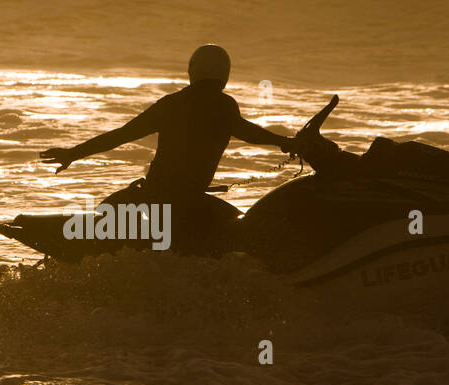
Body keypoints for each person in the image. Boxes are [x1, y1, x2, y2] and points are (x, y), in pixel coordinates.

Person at [39, 45, 296, 252]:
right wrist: (286, 142)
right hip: (189, 203)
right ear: (225, 74)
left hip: (154, 200)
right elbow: (251, 133)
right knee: (242, 228)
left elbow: (120, 135)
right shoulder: (225, 107)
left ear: (192, 71)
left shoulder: (172, 104)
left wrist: (73, 153)